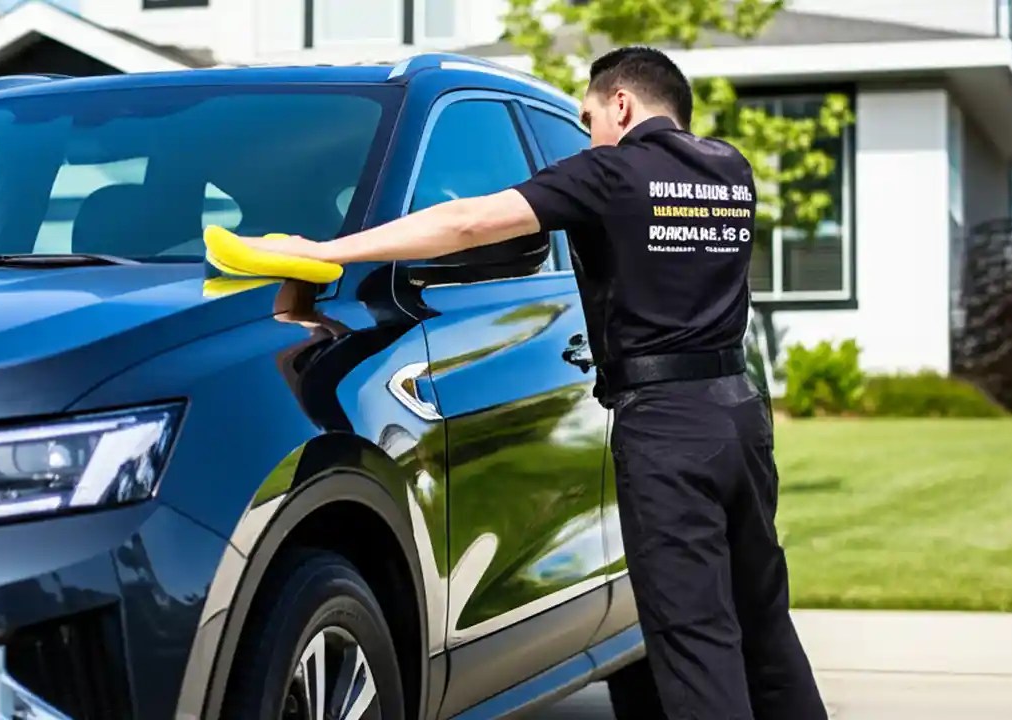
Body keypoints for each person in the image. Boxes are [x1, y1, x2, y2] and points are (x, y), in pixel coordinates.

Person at [242, 46, 827, 720]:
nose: (588, 135)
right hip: (740, 417)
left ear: (622, 105)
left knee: (693, 638)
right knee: (764, 622)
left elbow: (467, 223)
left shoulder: (610, 171)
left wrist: (323, 252)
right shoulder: (730, 168)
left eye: (589, 119)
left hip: (666, 427)